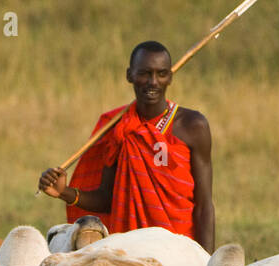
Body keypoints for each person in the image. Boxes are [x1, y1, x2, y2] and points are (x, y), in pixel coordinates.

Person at [37, 41, 215, 253]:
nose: (153, 82)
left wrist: (207, 264)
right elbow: (107, 199)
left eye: (161, 74)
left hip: (179, 249)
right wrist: (64, 192)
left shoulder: (193, 125)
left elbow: (204, 206)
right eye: (144, 73)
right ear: (129, 75)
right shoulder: (116, 128)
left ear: (170, 77)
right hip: (130, 251)